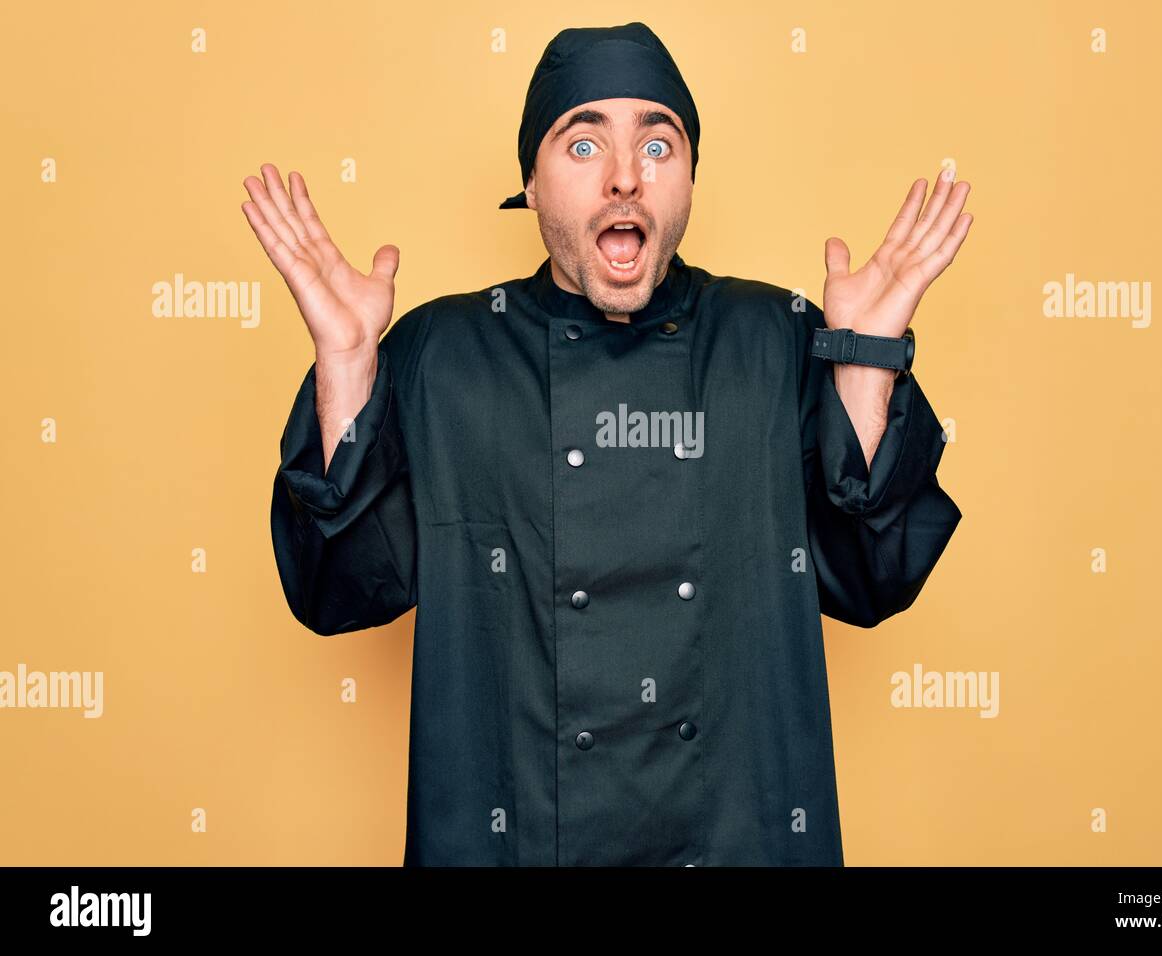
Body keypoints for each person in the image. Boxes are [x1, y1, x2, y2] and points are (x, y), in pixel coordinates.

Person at [243, 21, 971, 866]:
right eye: (583, 142)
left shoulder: (778, 339)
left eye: (658, 143)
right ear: (532, 180)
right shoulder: (443, 354)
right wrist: (343, 366)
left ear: (690, 176)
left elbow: (874, 577)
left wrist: (866, 365)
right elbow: (340, 592)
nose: (626, 176)